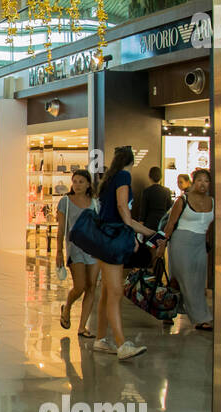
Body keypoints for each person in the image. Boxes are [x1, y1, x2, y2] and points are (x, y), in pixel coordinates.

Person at [90, 146, 156, 361]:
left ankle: (101, 338)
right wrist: (132, 229)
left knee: (109, 291)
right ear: (132, 160)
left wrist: (146, 232)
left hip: (103, 236)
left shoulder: (109, 178)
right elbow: (122, 206)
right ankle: (121, 344)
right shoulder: (124, 176)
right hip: (113, 238)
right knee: (115, 292)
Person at [156, 167, 214, 331]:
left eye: (206, 181)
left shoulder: (213, 202)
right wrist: (162, 244)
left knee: (195, 280)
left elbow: (210, 226)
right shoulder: (182, 200)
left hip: (199, 243)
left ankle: (168, 311)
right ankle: (201, 317)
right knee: (188, 279)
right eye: (200, 180)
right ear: (193, 182)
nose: (203, 184)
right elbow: (170, 224)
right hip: (181, 242)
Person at [55, 169, 98, 338]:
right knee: (80, 286)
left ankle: (82, 327)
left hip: (94, 249)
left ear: (88, 184)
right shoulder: (65, 201)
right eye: (75, 181)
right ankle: (67, 307)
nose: (77, 185)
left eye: (81, 181)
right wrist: (58, 251)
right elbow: (61, 229)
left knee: (92, 287)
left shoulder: (94, 202)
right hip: (75, 249)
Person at [133, 166, 173, 234]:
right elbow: (169, 209)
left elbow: (143, 211)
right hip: (163, 222)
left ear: (150, 177)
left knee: (150, 243)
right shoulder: (167, 191)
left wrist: (139, 230)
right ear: (161, 177)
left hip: (150, 222)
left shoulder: (147, 191)